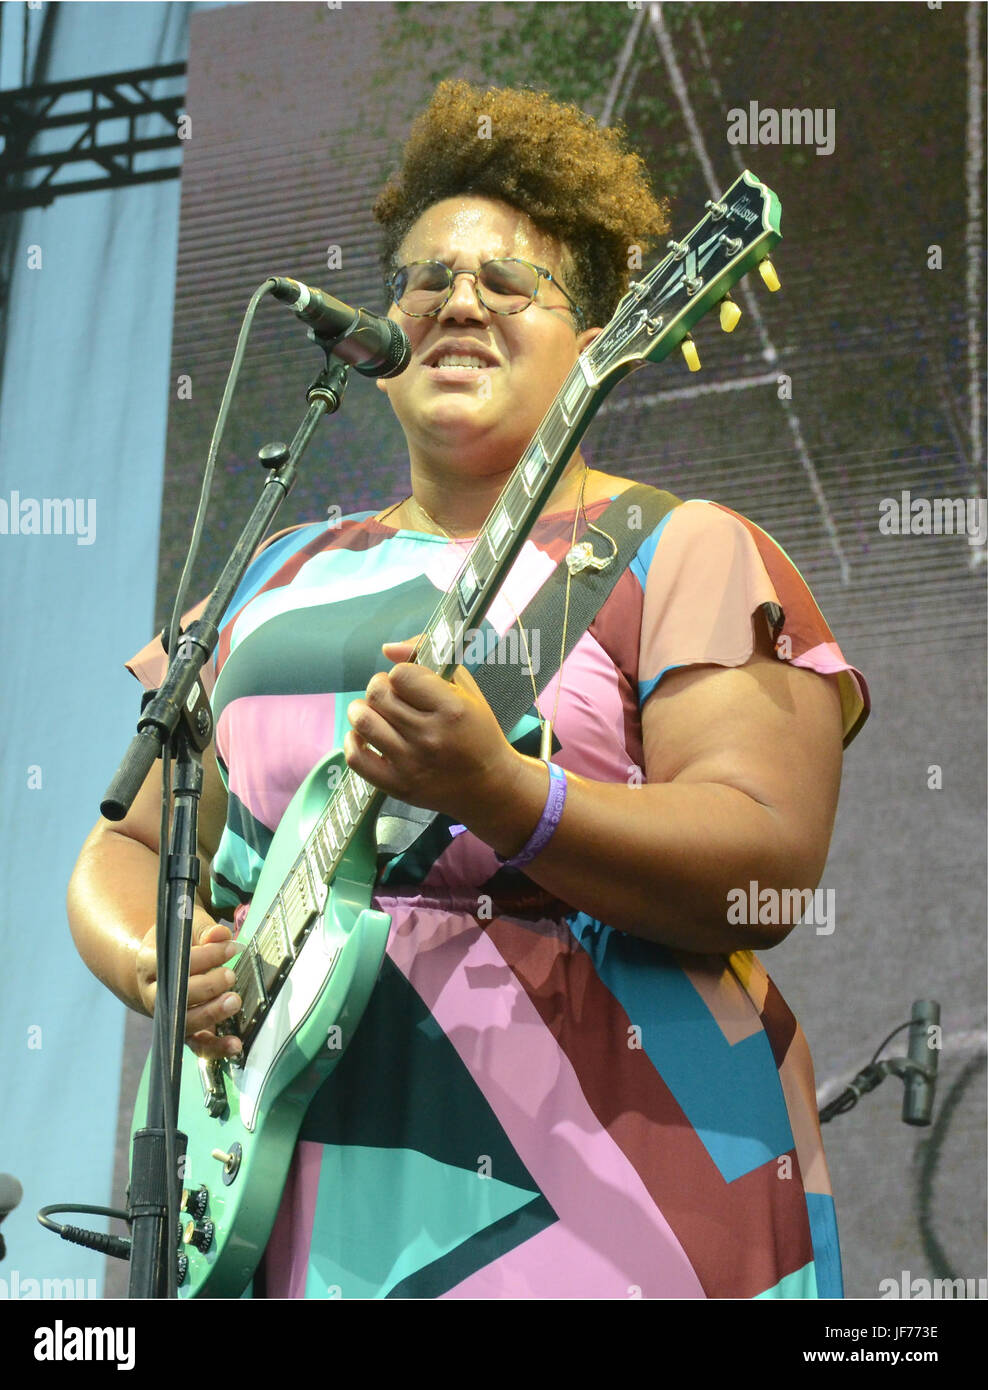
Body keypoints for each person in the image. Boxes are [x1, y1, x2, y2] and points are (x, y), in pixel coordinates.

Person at [68, 80, 869, 1299]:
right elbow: (124, 846)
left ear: (599, 336)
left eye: (508, 284)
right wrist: (164, 958)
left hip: (604, 1196)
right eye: (425, 278)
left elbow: (763, 860)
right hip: (278, 1199)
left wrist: (506, 793)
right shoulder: (272, 574)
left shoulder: (683, 547)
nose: (457, 300)